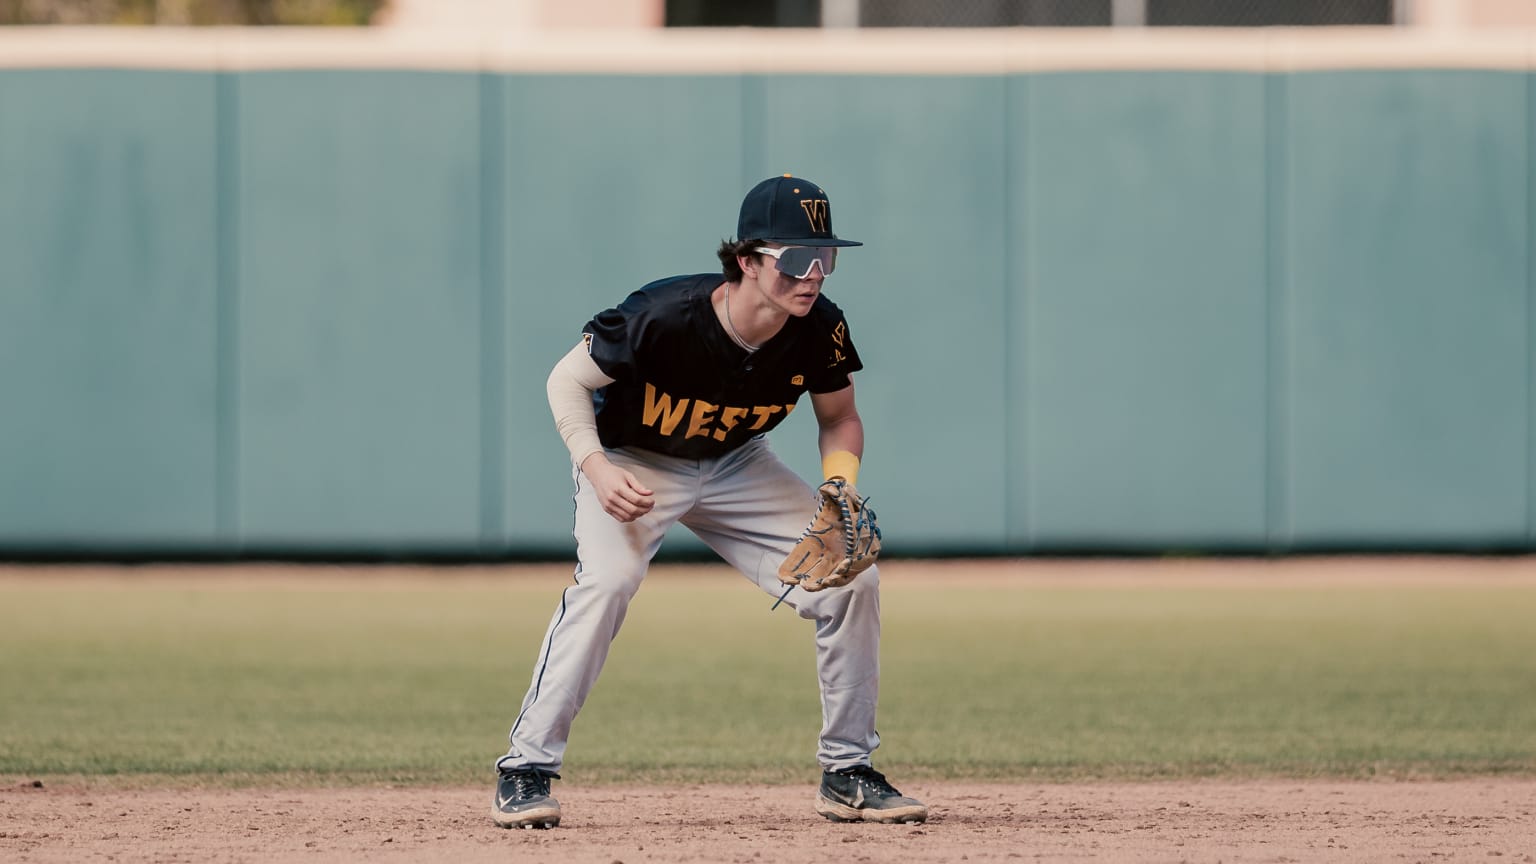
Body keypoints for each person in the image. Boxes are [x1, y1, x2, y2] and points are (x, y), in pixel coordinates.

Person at [491, 175, 926, 829]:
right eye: (798, 259)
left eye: (826, 258)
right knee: (607, 583)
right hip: (634, 462)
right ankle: (525, 768)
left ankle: (848, 770)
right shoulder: (665, 315)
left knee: (850, 578)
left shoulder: (820, 327)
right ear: (748, 260)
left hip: (736, 465)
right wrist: (596, 467)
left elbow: (839, 417)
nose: (814, 276)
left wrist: (839, 489)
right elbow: (566, 380)